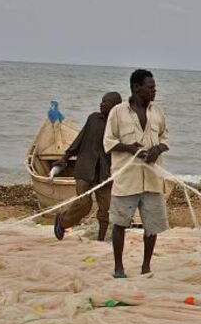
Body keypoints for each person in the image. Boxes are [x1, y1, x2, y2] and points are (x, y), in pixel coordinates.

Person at [103, 69, 170, 278]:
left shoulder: (157, 112)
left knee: (152, 226)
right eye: (150, 87)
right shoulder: (117, 112)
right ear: (136, 88)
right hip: (127, 179)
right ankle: (118, 267)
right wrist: (130, 148)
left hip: (152, 179)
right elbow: (108, 142)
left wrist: (157, 150)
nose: (154, 91)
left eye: (155, 87)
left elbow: (165, 137)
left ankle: (146, 266)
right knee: (120, 223)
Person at [52, 92, 121, 241]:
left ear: (115, 106)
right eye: (101, 101)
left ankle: (101, 240)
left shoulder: (119, 126)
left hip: (105, 173)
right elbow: (79, 140)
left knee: (106, 208)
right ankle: (62, 220)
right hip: (85, 168)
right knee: (84, 203)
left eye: (105, 102)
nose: (101, 104)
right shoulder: (93, 119)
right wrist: (64, 158)